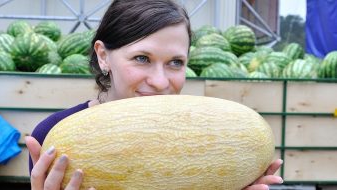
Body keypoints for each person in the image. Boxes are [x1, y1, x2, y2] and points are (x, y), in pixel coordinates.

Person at [26, 0, 284, 189]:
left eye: (175, 63)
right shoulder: (54, 135)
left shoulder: (208, 137)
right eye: (142, 58)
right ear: (103, 56)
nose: (160, 81)